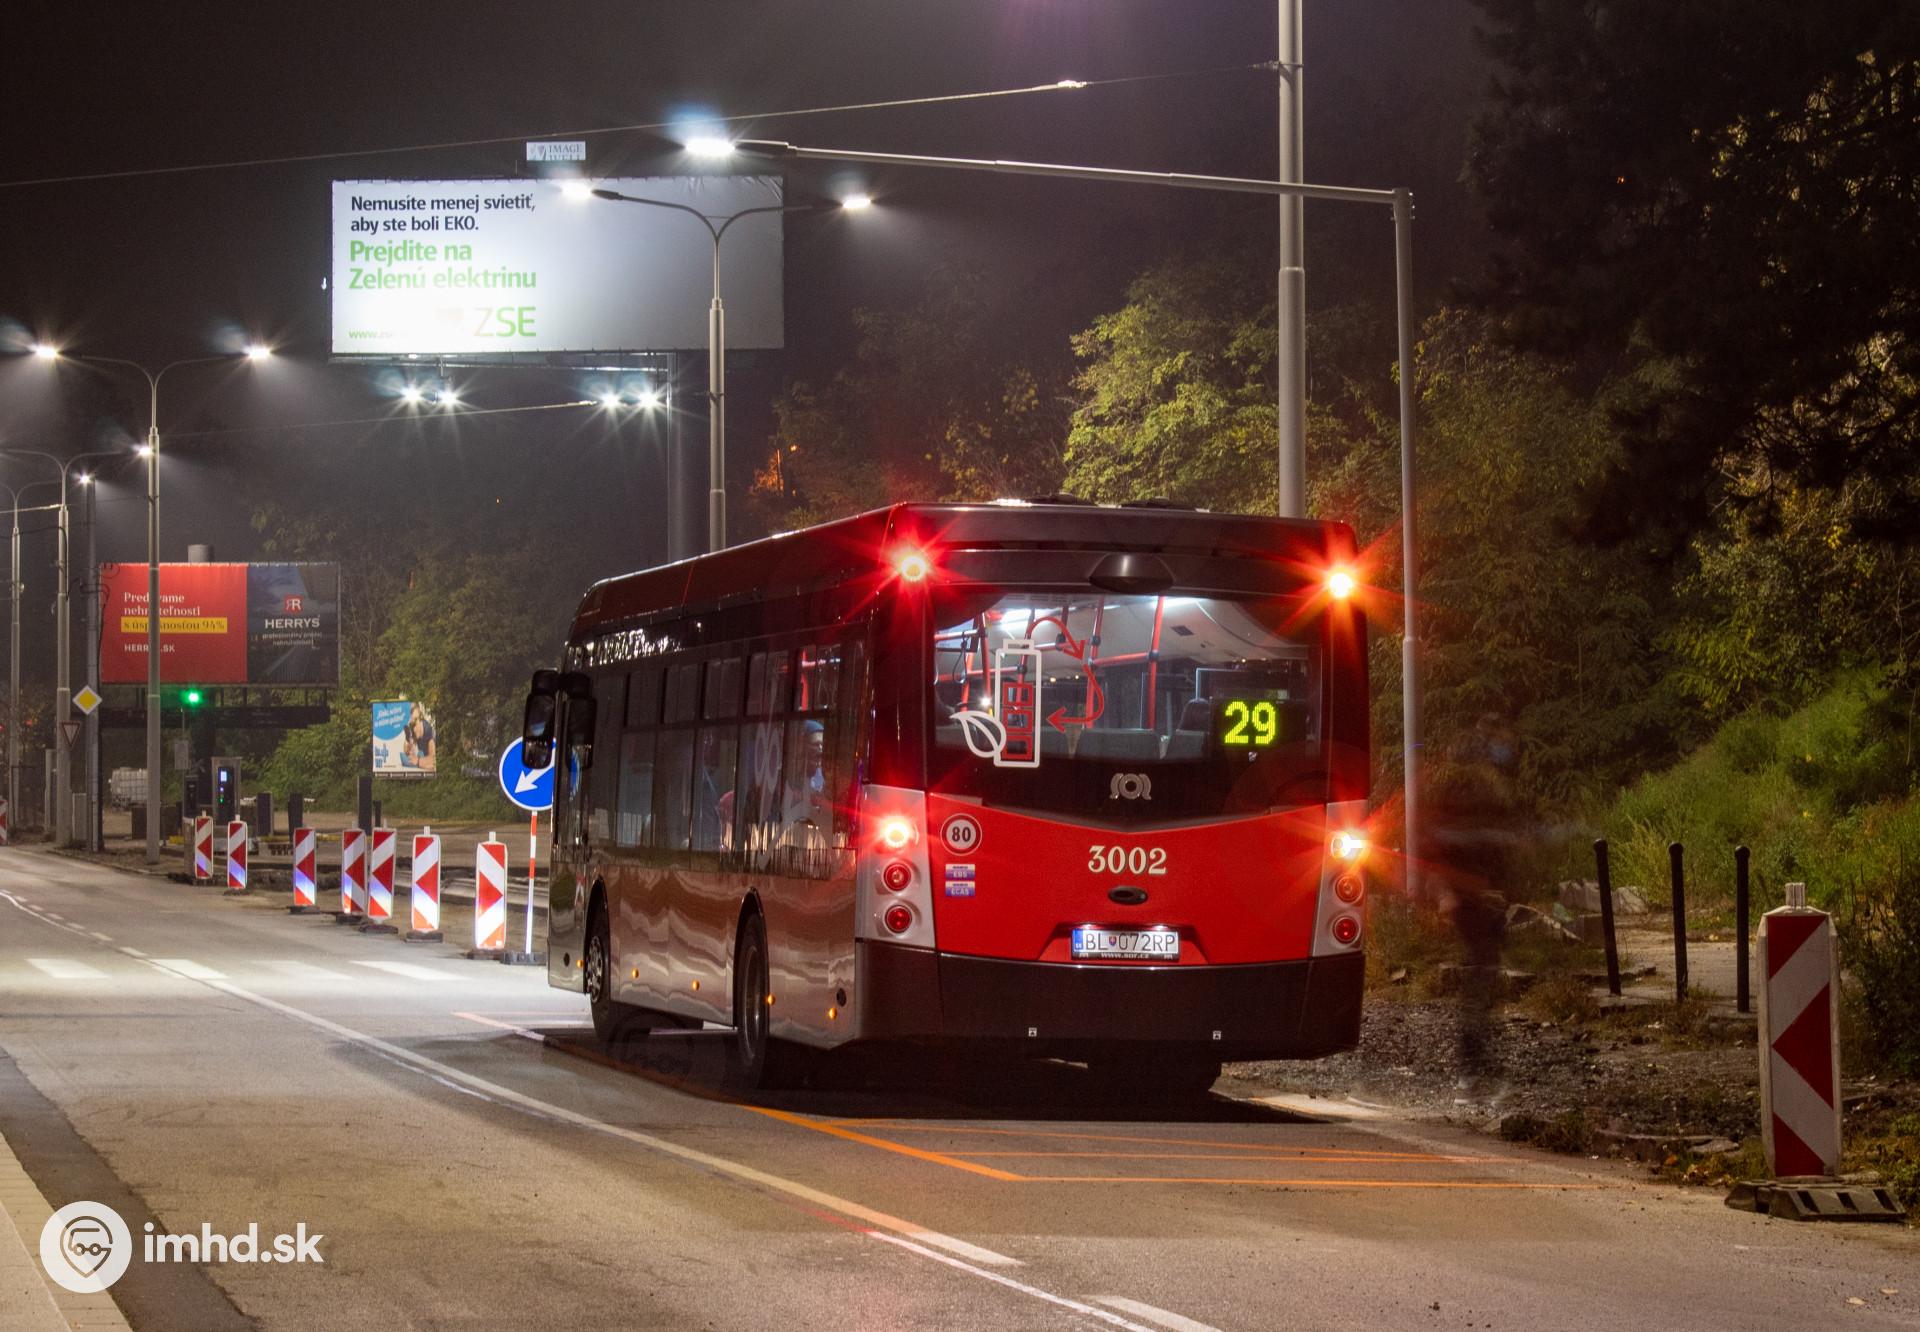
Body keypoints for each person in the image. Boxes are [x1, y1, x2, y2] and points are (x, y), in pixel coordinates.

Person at [1422, 712, 1523, 1081]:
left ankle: (1477, 1054)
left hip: (1477, 890)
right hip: (1467, 891)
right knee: (1481, 967)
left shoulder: (1485, 782)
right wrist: (1447, 889)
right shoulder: (1466, 785)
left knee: (1485, 966)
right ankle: (1473, 1057)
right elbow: (1447, 838)